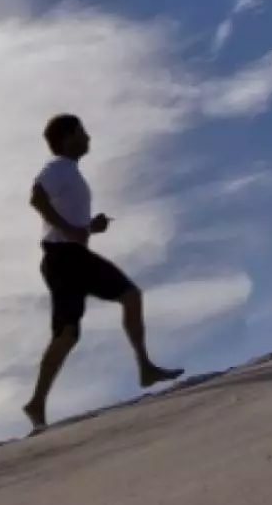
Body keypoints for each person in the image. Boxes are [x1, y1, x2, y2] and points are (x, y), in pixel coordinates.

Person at [23, 113, 183, 431]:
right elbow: (36, 198)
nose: (88, 137)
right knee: (130, 296)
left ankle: (37, 403)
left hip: (65, 255)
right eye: (82, 132)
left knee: (67, 334)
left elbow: (68, 225)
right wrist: (71, 229)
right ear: (68, 137)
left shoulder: (71, 174)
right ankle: (145, 368)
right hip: (64, 256)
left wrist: (88, 227)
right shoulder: (57, 168)